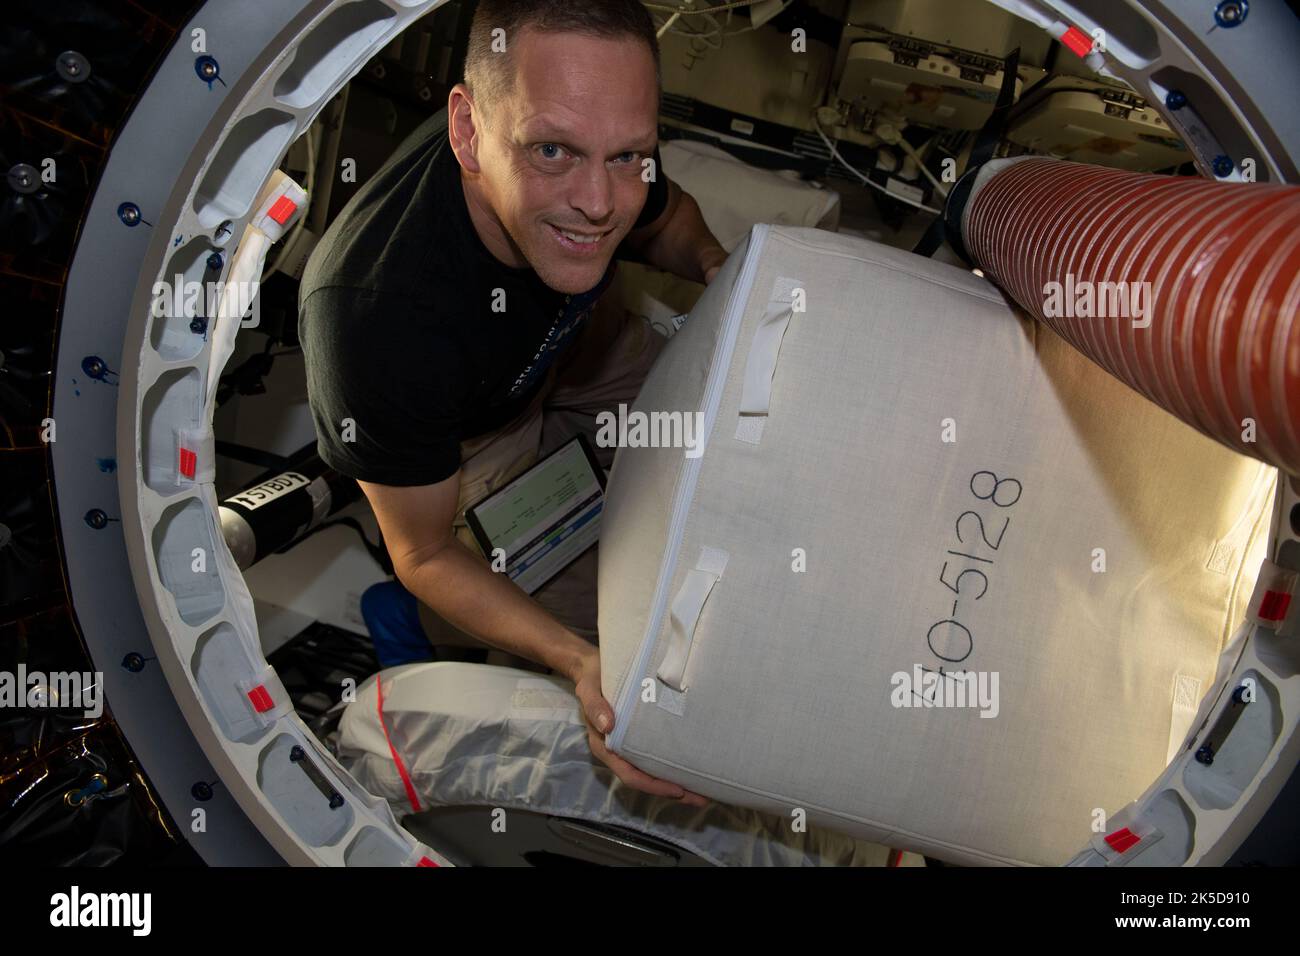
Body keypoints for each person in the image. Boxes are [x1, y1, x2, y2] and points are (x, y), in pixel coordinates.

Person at [298, 0, 727, 807]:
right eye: (551, 150)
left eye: (630, 155)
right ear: (468, 133)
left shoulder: (599, 146)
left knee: (732, 435)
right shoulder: (376, 314)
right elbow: (423, 550)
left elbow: (668, 224)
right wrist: (577, 663)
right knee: (628, 640)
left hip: (583, 338)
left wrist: (718, 271)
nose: (600, 203)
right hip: (473, 433)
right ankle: (419, 627)